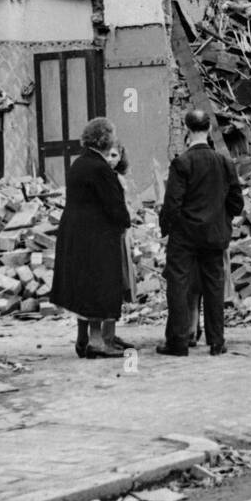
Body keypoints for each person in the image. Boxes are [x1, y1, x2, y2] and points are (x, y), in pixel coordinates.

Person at [157, 108, 244, 356]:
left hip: (184, 237)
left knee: (178, 286)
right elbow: (237, 204)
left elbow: (172, 204)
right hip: (215, 235)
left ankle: (178, 341)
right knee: (214, 288)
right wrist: (221, 218)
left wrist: (166, 229)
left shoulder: (182, 163)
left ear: (186, 130)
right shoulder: (225, 163)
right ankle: (217, 342)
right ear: (209, 130)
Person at [51, 117, 133, 358]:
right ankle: (97, 342)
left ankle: (83, 338)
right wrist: (125, 222)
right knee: (100, 284)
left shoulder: (79, 164)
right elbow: (114, 205)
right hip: (97, 234)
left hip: (75, 232)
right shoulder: (99, 168)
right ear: (106, 139)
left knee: (82, 286)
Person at [104, 143, 138, 352]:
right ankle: (105, 336)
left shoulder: (119, 179)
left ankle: (110, 332)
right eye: (107, 155)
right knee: (110, 284)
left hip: (121, 236)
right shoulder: (104, 180)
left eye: (114, 155)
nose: (110, 159)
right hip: (109, 236)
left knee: (119, 284)